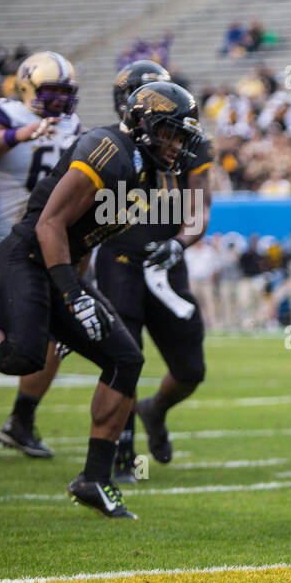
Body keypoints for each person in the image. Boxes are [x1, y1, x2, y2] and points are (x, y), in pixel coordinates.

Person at [0, 81, 206, 518]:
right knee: (21, 356)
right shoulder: (108, 148)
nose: (177, 145)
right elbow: (49, 224)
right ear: (142, 123)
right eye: (169, 132)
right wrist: (71, 294)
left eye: (181, 136)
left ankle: (93, 479)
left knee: (125, 358)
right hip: (24, 259)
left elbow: (86, 239)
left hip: (60, 266)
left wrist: (80, 294)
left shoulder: (147, 169)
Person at [0, 51, 82, 461]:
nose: (60, 101)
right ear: (26, 88)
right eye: (52, 91)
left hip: (44, 250)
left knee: (55, 342)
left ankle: (21, 422)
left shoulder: (74, 128)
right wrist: (18, 136)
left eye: (66, 92)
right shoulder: (5, 113)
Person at [95, 61, 214, 483]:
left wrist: (179, 243)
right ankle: (119, 449)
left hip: (166, 260)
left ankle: (155, 409)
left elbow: (199, 208)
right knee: (124, 356)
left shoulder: (188, 144)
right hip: (119, 259)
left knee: (190, 370)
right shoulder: (107, 146)